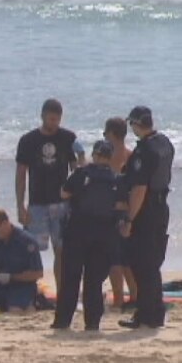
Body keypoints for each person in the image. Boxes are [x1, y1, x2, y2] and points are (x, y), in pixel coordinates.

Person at [53, 141, 120, 331]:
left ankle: (63, 321)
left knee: (70, 278)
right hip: (104, 233)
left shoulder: (81, 174)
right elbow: (119, 205)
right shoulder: (116, 179)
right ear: (110, 157)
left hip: (78, 230)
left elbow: (64, 193)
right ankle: (92, 322)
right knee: (94, 281)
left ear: (95, 155)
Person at [118, 106, 175, 329]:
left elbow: (140, 188)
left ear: (136, 124)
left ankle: (147, 314)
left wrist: (130, 219)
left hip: (146, 210)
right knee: (152, 263)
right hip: (161, 208)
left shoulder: (144, 151)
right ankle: (153, 312)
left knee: (142, 264)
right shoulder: (165, 144)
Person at [15, 99, 77, 292]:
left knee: (62, 250)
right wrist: (20, 205)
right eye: (51, 119)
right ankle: (28, 292)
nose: (54, 123)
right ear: (42, 116)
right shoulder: (28, 140)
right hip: (37, 203)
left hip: (61, 204)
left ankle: (62, 293)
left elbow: (76, 170)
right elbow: (21, 174)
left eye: (57, 119)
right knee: (30, 250)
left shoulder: (68, 138)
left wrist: (76, 201)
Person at [104, 117, 137, 309]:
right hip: (128, 213)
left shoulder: (108, 157)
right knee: (125, 260)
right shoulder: (131, 156)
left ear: (110, 134)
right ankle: (133, 295)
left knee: (115, 260)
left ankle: (119, 298)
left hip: (114, 214)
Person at [0, 208, 44, 313]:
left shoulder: (26, 242)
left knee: (15, 310)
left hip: (23, 286)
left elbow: (37, 273)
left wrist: (11, 277)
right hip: (1, 285)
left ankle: (35, 301)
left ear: (5, 223)